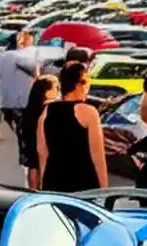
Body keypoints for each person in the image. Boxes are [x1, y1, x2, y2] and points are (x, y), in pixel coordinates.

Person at [38, 62, 107, 193]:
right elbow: (98, 155)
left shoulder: (47, 111)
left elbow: (42, 152)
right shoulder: (89, 112)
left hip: (54, 183)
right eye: (87, 82)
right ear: (79, 84)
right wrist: (105, 190)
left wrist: (43, 184)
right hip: (84, 185)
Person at [0, 30, 39, 168]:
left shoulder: (3, 56)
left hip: (6, 100)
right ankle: (26, 155)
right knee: (26, 131)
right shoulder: (18, 56)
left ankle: (23, 152)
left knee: (19, 130)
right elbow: (35, 70)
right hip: (21, 101)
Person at [19, 75, 57, 190]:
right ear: (46, 92)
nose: (57, 92)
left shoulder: (30, 109)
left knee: (33, 165)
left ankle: (33, 189)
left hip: (30, 142)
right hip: (41, 141)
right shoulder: (49, 109)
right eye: (55, 88)